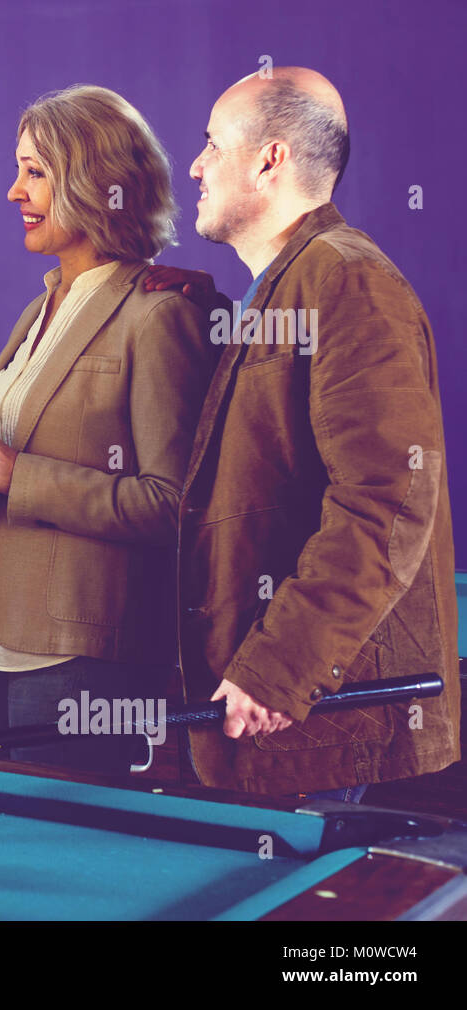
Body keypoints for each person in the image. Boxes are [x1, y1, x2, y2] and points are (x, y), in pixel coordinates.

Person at [146, 67, 459, 797]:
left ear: (270, 159)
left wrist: (278, 669)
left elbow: (387, 498)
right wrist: (209, 308)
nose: (194, 166)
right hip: (284, 726)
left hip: (323, 729)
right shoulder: (285, 287)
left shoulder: (348, 279)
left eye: (211, 145)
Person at [0, 86, 214, 773]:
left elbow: (174, 504)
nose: (14, 191)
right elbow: (16, 448)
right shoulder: (41, 307)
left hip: (85, 655)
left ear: (99, 185)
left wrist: (12, 472)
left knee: (44, 859)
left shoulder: (162, 315)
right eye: (18, 170)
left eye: (35, 172)